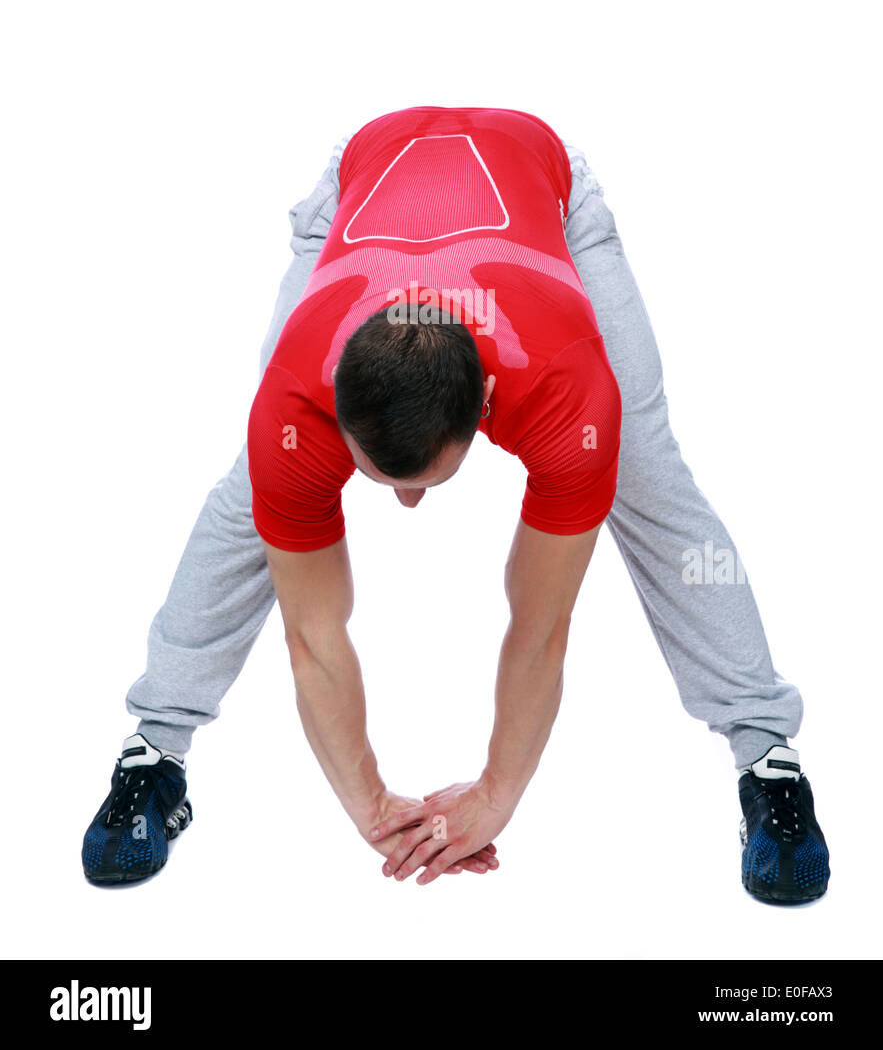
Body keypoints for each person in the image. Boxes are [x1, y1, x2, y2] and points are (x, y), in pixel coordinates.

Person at [82, 105, 830, 902]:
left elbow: (540, 626)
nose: (406, 505)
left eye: (426, 483)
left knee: (643, 470)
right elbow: (313, 634)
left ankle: (765, 751)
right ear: (336, 409)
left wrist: (495, 796)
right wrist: (369, 805)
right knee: (253, 497)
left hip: (543, 184)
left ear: (484, 411)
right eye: (383, 477)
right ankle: (154, 750)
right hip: (360, 179)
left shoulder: (561, 385)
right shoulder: (295, 400)